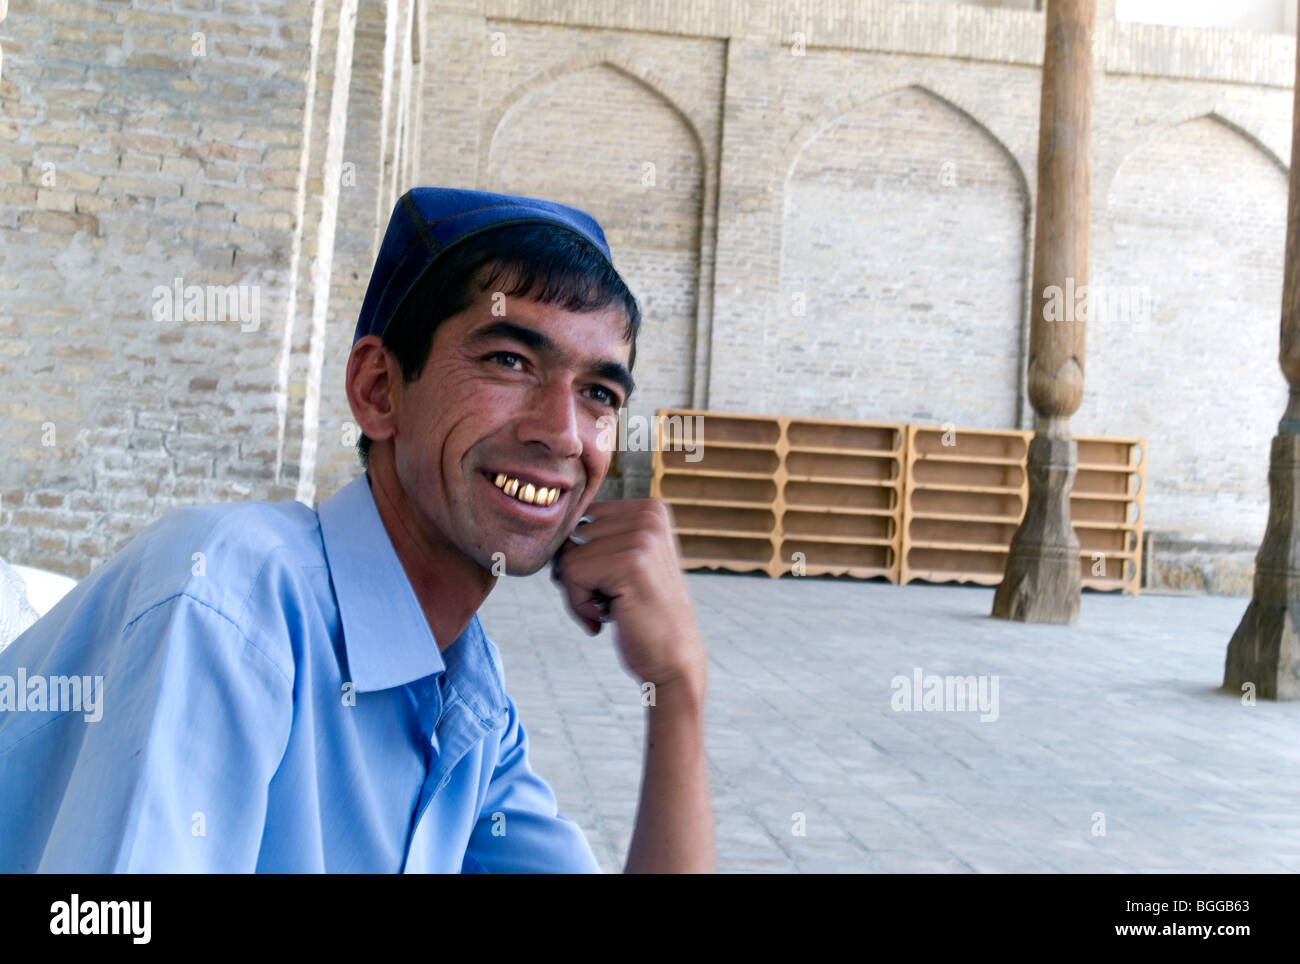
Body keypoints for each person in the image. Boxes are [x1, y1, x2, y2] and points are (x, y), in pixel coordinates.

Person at [0, 187, 714, 873]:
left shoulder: (467, 697)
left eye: (598, 393)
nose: (563, 432)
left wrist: (678, 686)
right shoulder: (229, 608)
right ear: (378, 389)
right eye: (509, 361)